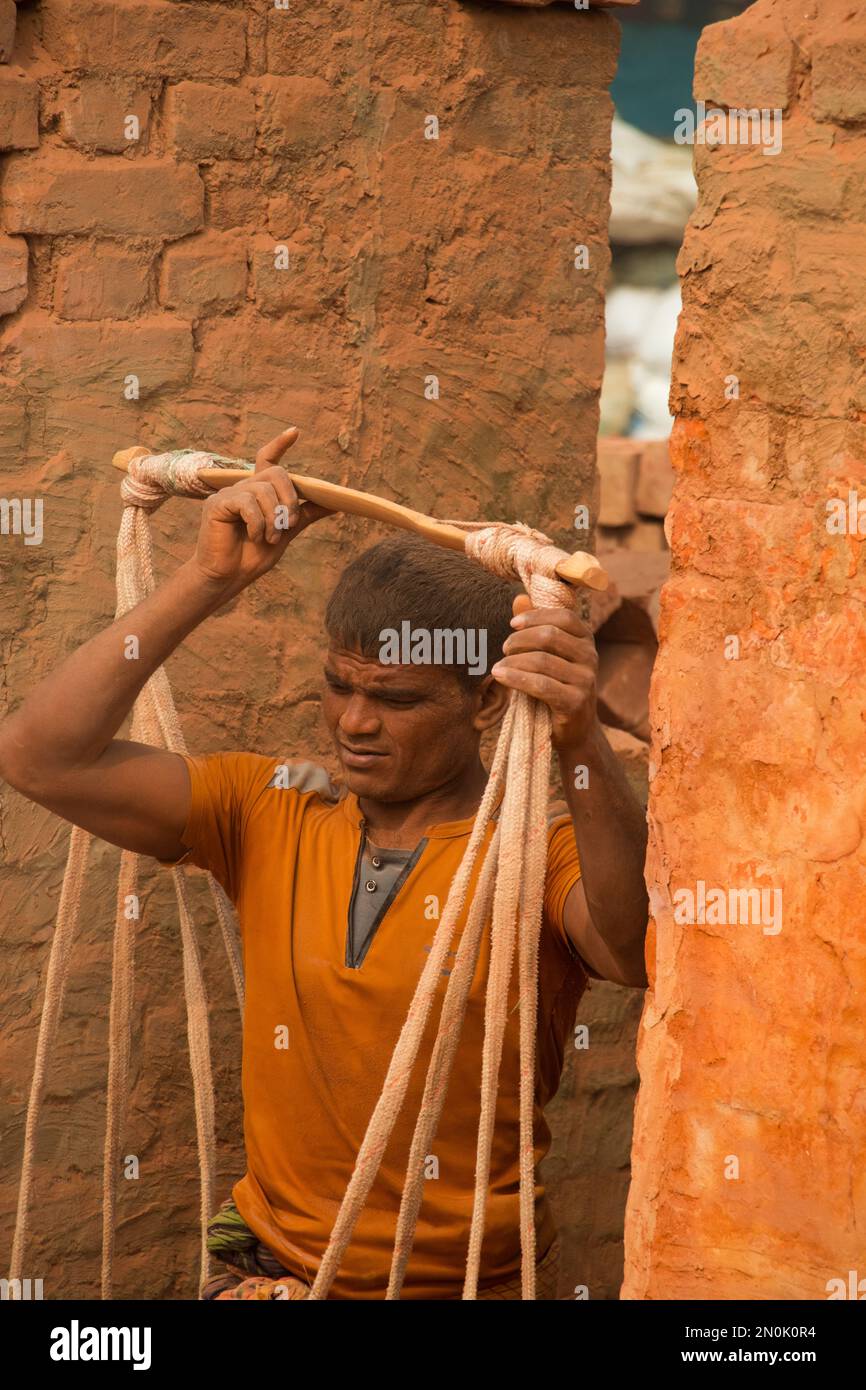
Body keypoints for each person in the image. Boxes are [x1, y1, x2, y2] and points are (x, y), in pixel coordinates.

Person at [0, 427, 649, 1300]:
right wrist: (208, 582)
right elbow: (42, 758)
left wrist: (580, 737)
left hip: (459, 1286)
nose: (353, 723)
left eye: (394, 698)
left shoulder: (535, 851)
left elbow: (629, 948)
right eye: (341, 685)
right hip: (274, 1274)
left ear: (486, 700)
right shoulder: (267, 808)